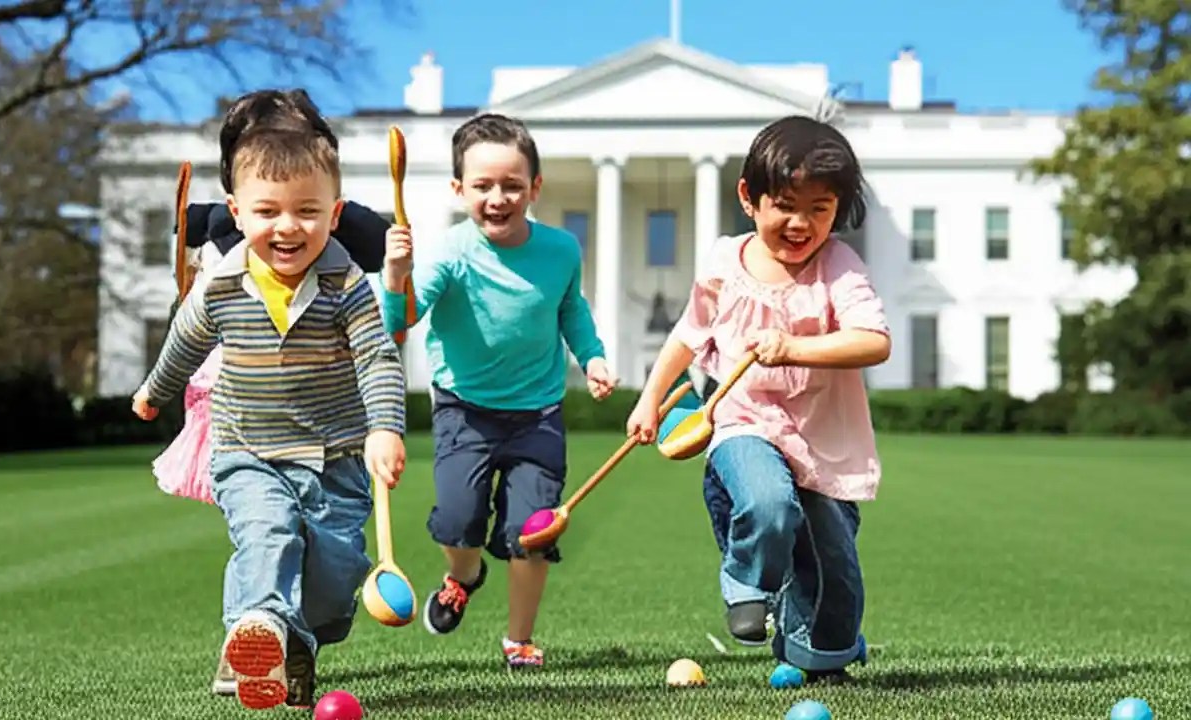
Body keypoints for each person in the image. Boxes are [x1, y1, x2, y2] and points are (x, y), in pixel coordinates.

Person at [132, 95, 407, 710]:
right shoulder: (223, 284)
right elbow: (185, 340)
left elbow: (378, 358)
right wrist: (155, 389)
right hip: (248, 448)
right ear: (236, 211)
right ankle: (253, 630)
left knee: (336, 584)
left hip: (335, 455)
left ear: (334, 215)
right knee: (268, 537)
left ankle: (296, 644)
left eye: (307, 211)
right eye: (268, 211)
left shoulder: (345, 287)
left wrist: (385, 428)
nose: (288, 227)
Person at [627, 115, 890, 683]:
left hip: (820, 436)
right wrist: (650, 399)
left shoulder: (839, 266)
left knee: (834, 564)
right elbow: (688, 334)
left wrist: (794, 346)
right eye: (786, 206)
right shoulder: (726, 262)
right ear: (750, 197)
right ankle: (748, 587)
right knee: (768, 503)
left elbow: (873, 341)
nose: (801, 224)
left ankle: (820, 655)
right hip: (742, 420)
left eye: (820, 209)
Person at [380, 112, 616, 669]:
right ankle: (464, 575)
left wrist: (594, 356)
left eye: (512, 185)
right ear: (459, 188)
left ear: (535, 187)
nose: (498, 197)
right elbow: (399, 325)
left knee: (531, 532)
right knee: (460, 520)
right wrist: (395, 276)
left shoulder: (561, 250)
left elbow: (570, 311)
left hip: (538, 415)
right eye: (482, 185)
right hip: (464, 412)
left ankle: (519, 639)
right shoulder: (449, 252)